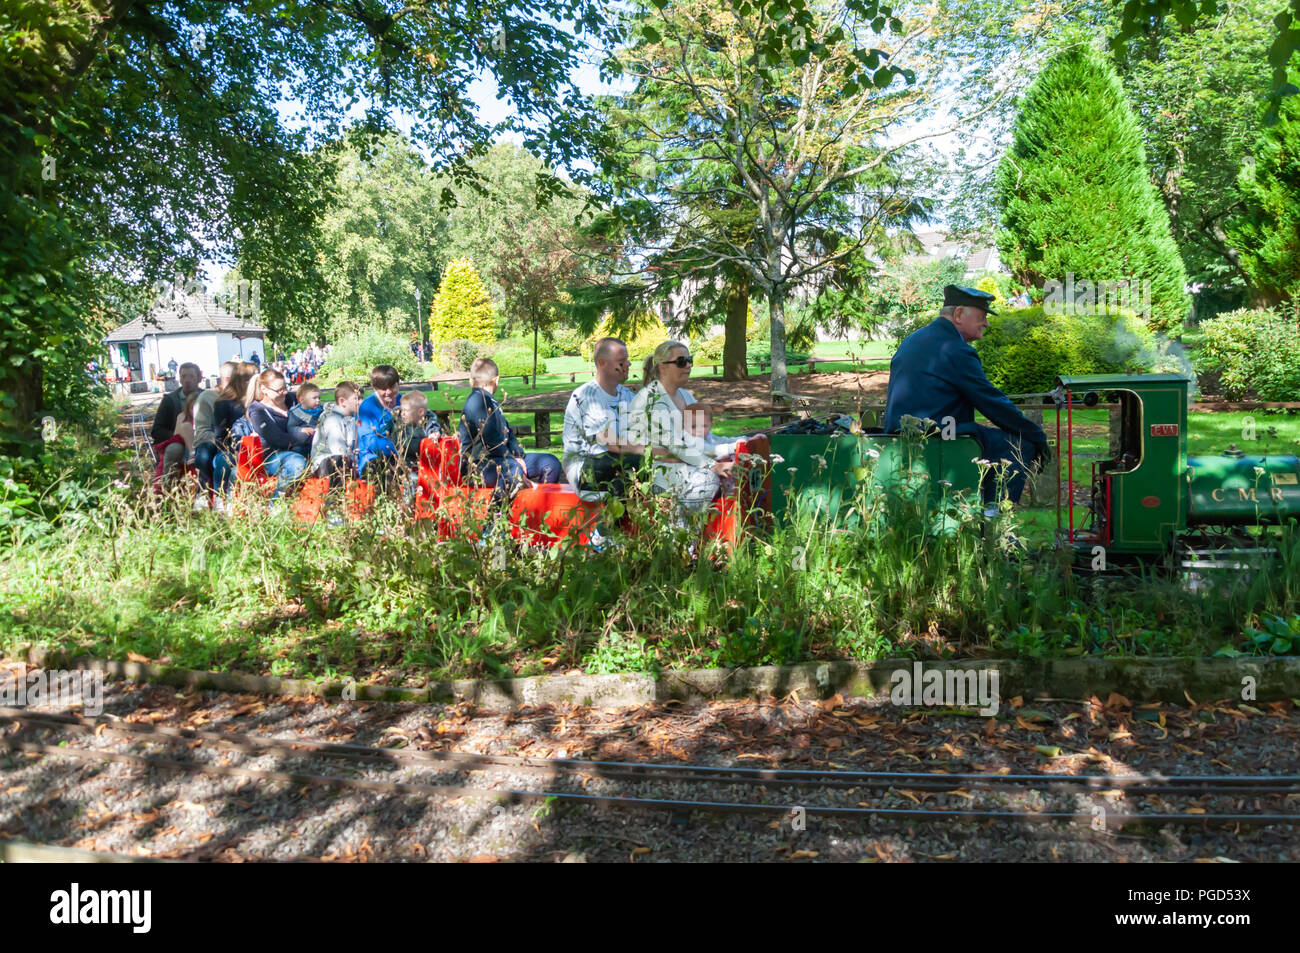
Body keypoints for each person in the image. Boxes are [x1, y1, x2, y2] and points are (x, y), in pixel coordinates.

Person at [882, 284, 1049, 508]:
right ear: (959, 314)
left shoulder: (913, 340)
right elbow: (992, 403)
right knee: (1019, 446)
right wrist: (1036, 436)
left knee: (989, 437)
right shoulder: (955, 350)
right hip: (936, 437)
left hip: (901, 434)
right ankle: (994, 522)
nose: (987, 323)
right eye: (981, 316)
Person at [628, 341, 736, 512]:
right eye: (681, 362)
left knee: (738, 470)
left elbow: (704, 436)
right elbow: (674, 445)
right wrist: (713, 465)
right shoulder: (651, 399)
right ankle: (681, 530)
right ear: (662, 367)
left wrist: (737, 443)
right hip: (657, 473)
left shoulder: (685, 395)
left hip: (684, 463)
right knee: (707, 479)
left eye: (689, 360)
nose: (688, 366)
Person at [458, 357, 562, 499]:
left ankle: (538, 506)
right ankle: (495, 516)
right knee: (513, 470)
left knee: (551, 463)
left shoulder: (490, 401)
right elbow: (491, 441)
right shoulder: (477, 401)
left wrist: (517, 454)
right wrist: (513, 460)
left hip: (504, 460)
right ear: (497, 380)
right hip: (479, 466)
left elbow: (507, 432)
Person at [561, 337, 644, 499]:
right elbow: (611, 442)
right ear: (602, 363)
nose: (628, 364)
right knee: (635, 462)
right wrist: (648, 450)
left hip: (614, 465)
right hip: (584, 469)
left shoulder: (627, 395)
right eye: (621, 361)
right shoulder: (587, 396)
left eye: (627, 360)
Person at [245, 369, 311, 498]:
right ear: (264, 389)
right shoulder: (257, 411)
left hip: (302, 448)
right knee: (296, 462)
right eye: (279, 390)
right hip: (272, 455)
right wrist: (304, 434)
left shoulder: (292, 399)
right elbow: (279, 440)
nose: (284, 392)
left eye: (285, 387)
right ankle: (276, 503)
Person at [191, 361, 238, 505]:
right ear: (229, 380)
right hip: (210, 440)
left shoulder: (240, 397)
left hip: (233, 441)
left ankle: (226, 499)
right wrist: (221, 441)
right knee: (205, 452)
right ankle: (202, 496)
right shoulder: (208, 397)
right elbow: (202, 429)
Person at [151, 362, 202, 483]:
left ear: (199, 378)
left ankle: (207, 489)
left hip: (201, 439)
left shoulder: (206, 396)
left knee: (206, 452)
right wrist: (178, 436)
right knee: (174, 449)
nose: (187, 380)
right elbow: (157, 430)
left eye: (191, 376)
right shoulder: (170, 400)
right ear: (179, 379)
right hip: (177, 440)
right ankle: (167, 486)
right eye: (183, 376)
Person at [309, 381, 362, 485]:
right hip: (325, 463)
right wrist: (355, 464)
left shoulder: (353, 418)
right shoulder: (332, 419)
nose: (361, 402)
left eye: (361, 398)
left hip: (347, 458)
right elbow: (338, 450)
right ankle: (334, 497)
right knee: (339, 461)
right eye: (356, 399)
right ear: (342, 401)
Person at [356, 364, 402, 481]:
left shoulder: (404, 401)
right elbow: (369, 440)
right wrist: (397, 449)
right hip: (374, 457)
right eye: (383, 388)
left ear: (398, 384)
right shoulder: (367, 407)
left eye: (392, 386)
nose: (388, 392)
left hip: (403, 454)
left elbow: (423, 416)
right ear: (375, 388)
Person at [392, 390, 443, 466]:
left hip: (425, 462)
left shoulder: (427, 419)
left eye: (406, 410)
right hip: (405, 463)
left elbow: (432, 426)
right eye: (402, 409)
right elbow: (401, 444)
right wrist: (424, 444)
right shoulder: (398, 419)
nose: (402, 413)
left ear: (420, 412)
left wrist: (434, 433)